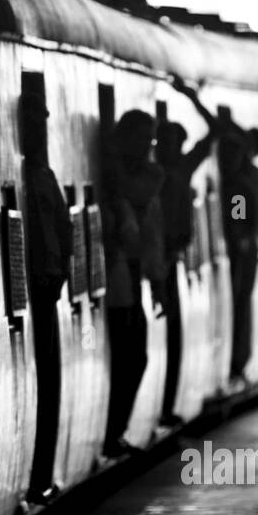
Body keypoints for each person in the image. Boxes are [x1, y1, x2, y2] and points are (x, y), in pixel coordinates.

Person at [157, 75, 231, 425]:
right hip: (158, 256)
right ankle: (165, 407)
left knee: (172, 325)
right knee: (167, 325)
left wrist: (192, 97)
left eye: (172, 142)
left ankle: (169, 407)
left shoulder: (181, 168)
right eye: (164, 142)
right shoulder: (158, 172)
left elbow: (215, 129)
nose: (166, 148)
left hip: (173, 255)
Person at [101, 109, 167, 458]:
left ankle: (118, 431)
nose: (148, 147)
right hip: (125, 282)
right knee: (131, 356)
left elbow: (243, 211)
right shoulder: (135, 180)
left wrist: (242, 228)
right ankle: (114, 432)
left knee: (135, 357)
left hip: (140, 277)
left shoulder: (243, 192)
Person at [20, 90, 73, 504]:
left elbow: (63, 225)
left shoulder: (44, 175)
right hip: (40, 284)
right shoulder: (38, 176)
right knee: (46, 369)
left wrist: (62, 273)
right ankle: (40, 475)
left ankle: (43, 474)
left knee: (49, 369)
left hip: (48, 283)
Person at [220, 125, 258, 387]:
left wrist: (238, 239)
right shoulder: (254, 177)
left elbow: (240, 217)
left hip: (243, 254)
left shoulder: (239, 187)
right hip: (248, 252)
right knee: (242, 303)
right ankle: (239, 359)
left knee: (240, 301)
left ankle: (238, 359)